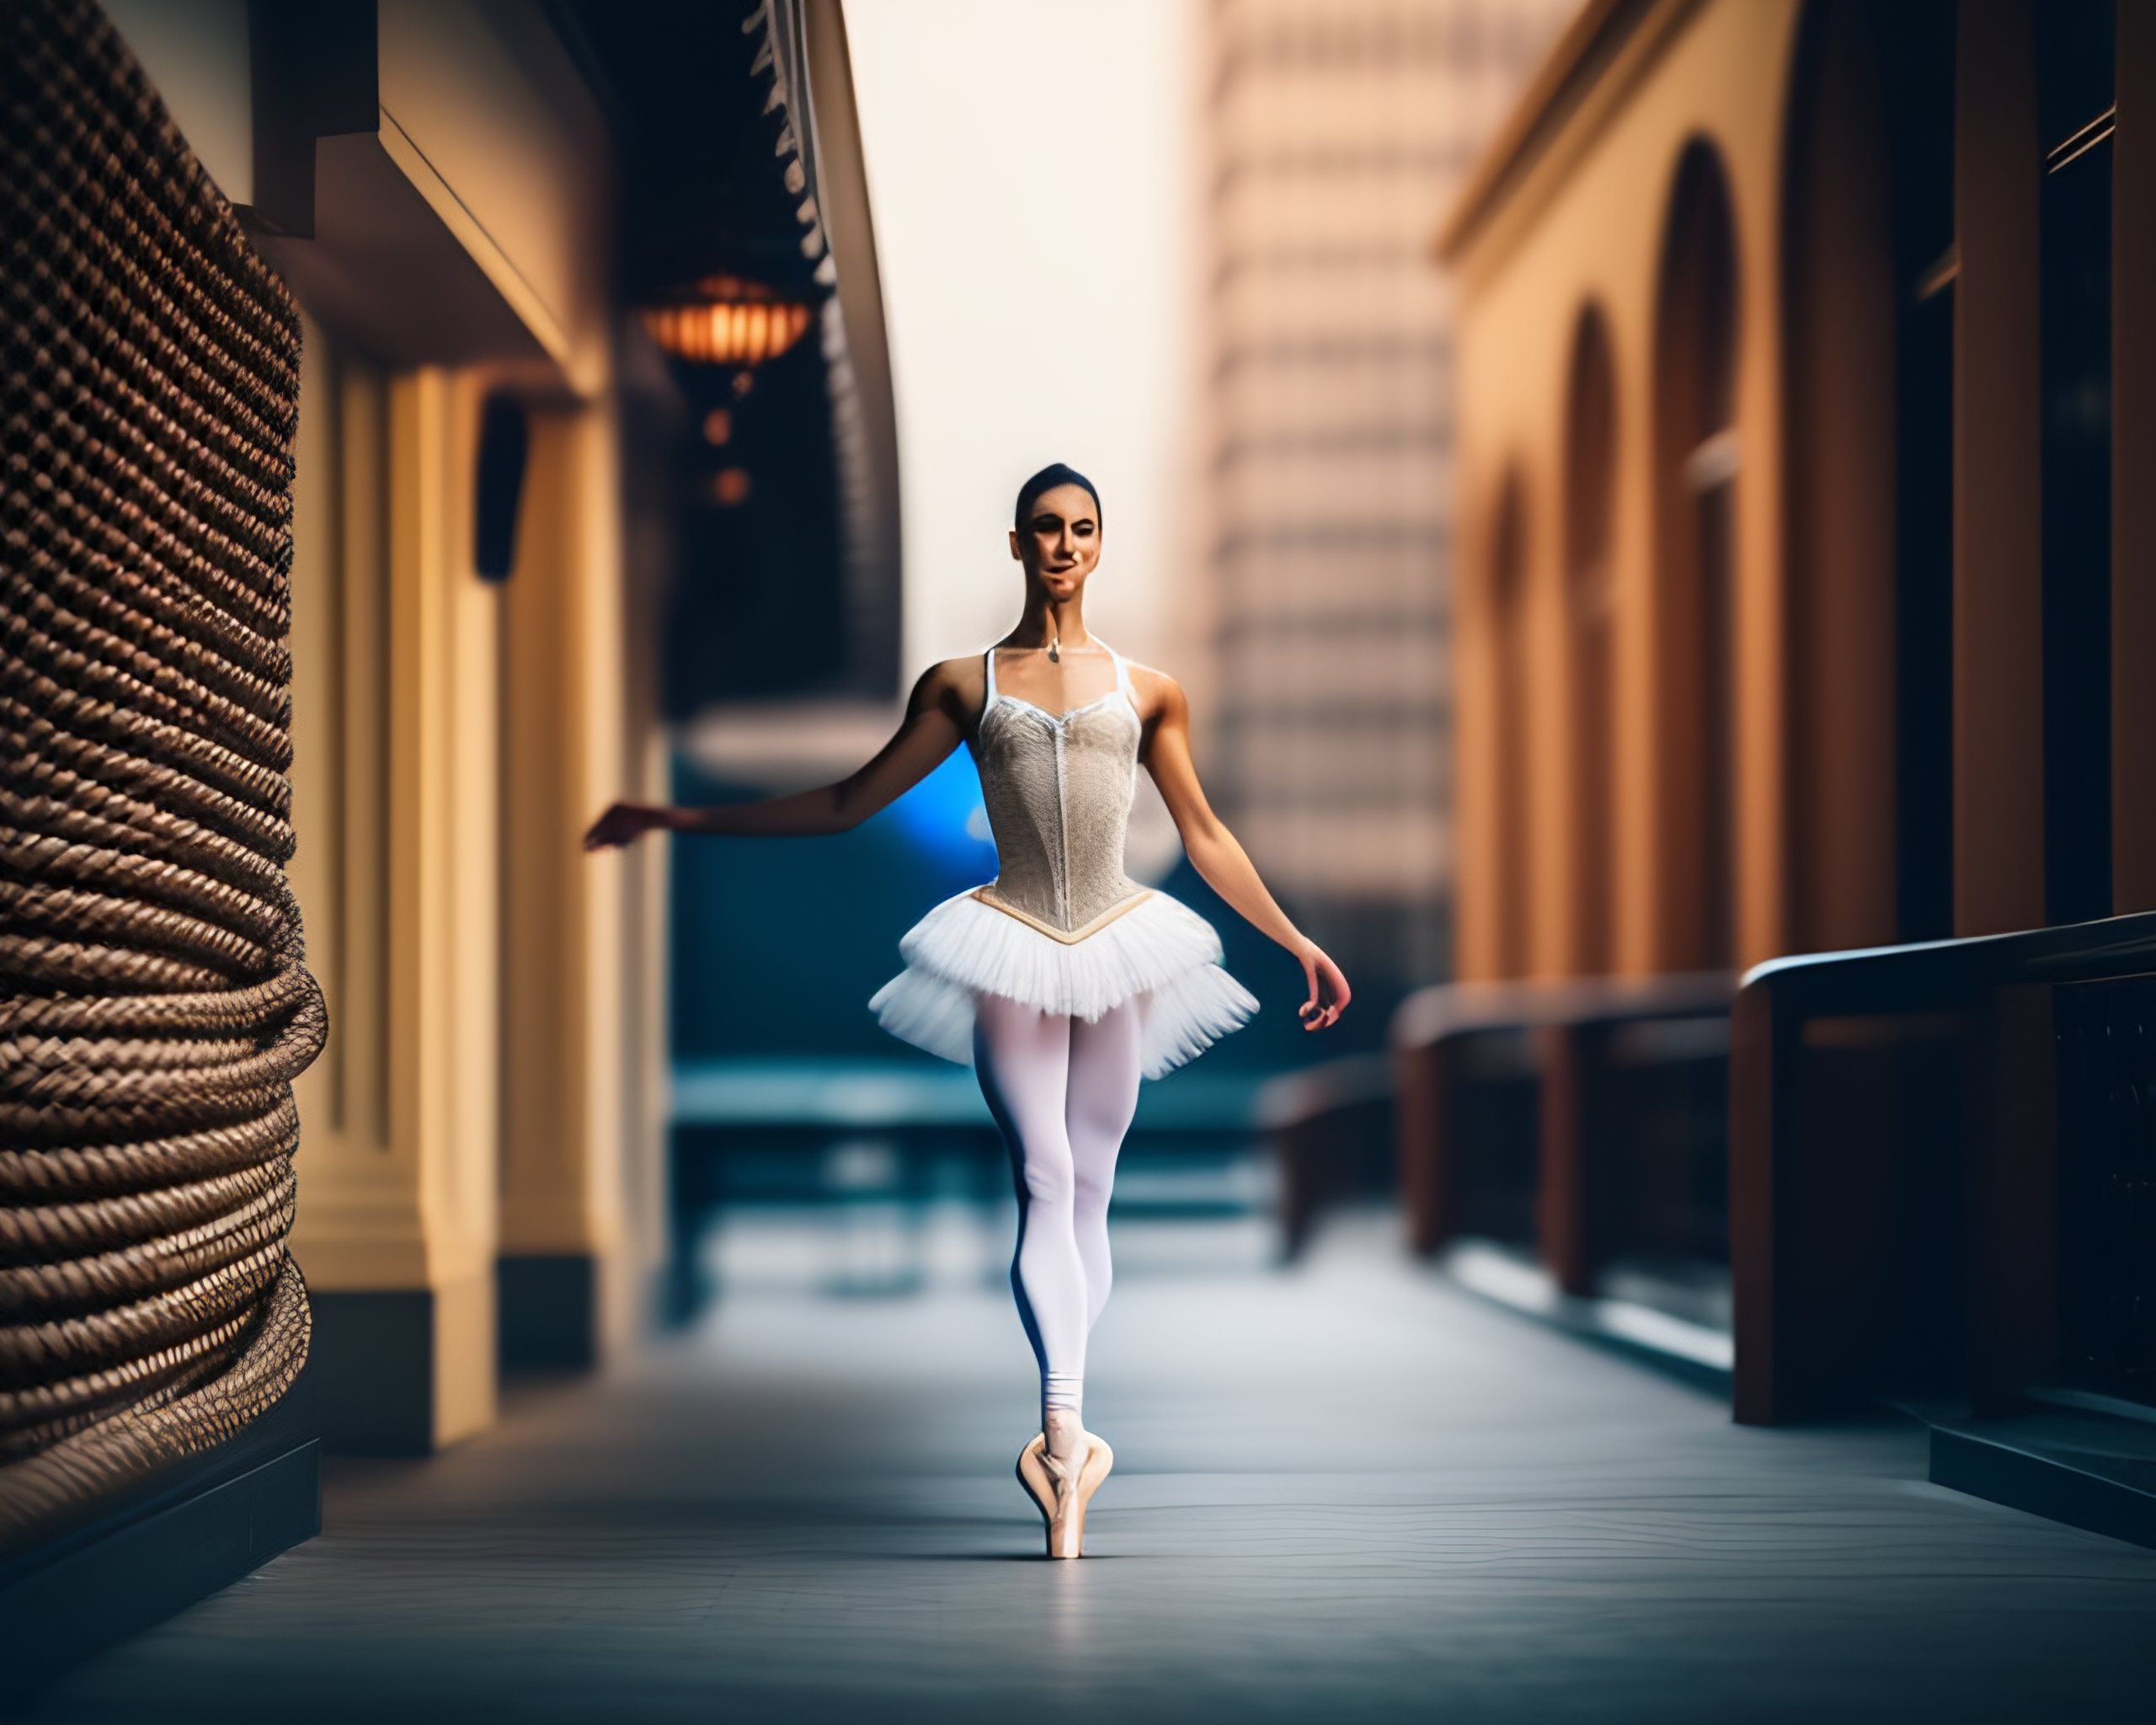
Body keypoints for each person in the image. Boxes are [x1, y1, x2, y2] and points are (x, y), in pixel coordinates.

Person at [585, 462, 1352, 1558]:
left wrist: (1295, 942)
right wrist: (674, 816)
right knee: (1040, 1175)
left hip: (1124, 945)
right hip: (1009, 942)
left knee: (1090, 1188)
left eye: (1083, 528)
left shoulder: (1148, 690)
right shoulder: (960, 682)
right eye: (1047, 528)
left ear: (1100, 544)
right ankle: (1062, 1432)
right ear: (1017, 542)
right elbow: (850, 802)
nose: (1065, 545)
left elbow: (1206, 835)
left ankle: (1073, 1441)